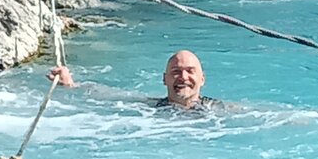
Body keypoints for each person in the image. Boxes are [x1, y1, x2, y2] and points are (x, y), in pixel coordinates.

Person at [49, 50, 220, 112]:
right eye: (176, 72)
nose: (183, 77)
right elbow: (104, 94)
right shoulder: (147, 107)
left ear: (202, 79)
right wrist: (70, 85)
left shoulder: (218, 110)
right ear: (164, 79)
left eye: (190, 71)